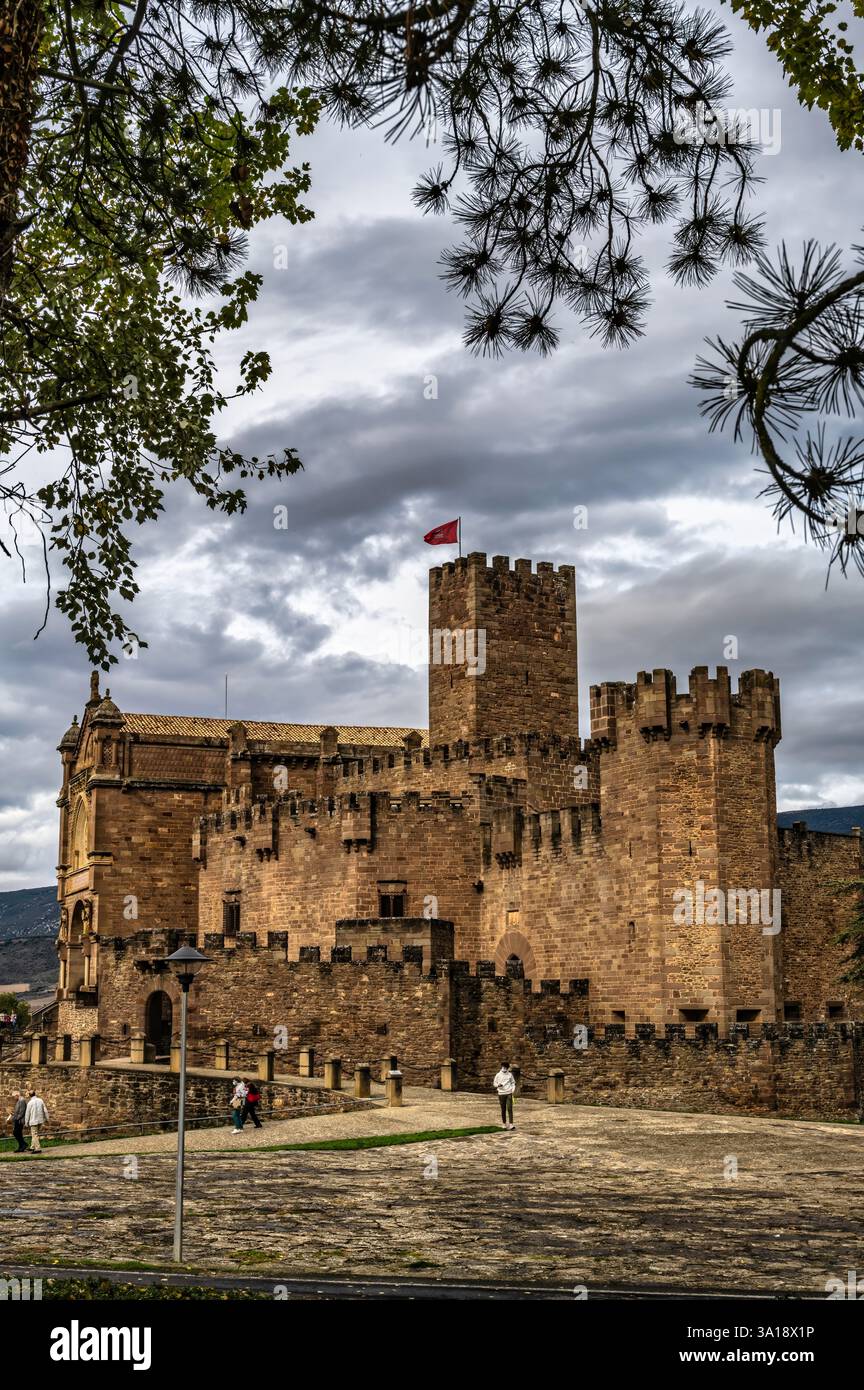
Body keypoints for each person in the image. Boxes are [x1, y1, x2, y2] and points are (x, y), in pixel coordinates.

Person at [493, 1062, 516, 1130]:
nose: (504, 1069)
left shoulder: (510, 1075)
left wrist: (513, 1090)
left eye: (506, 1067)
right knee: (503, 1109)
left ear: (507, 1068)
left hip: (509, 1093)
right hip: (501, 1093)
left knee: (509, 1108)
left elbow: (513, 1083)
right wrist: (498, 1085)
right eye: (503, 1067)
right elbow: (494, 1083)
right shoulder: (498, 1075)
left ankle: (511, 1124)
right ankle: (504, 1123)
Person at [24, 1089, 48, 1154]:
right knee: (35, 1134)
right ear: (35, 1094)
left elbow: (27, 1113)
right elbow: (45, 1110)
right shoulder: (40, 1100)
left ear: (29, 1095)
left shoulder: (30, 1103)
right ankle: (32, 1147)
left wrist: (26, 1122)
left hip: (33, 1121)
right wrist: (47, 1119)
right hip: (40, 1121)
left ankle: (37, 1149)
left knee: (34, 1135)